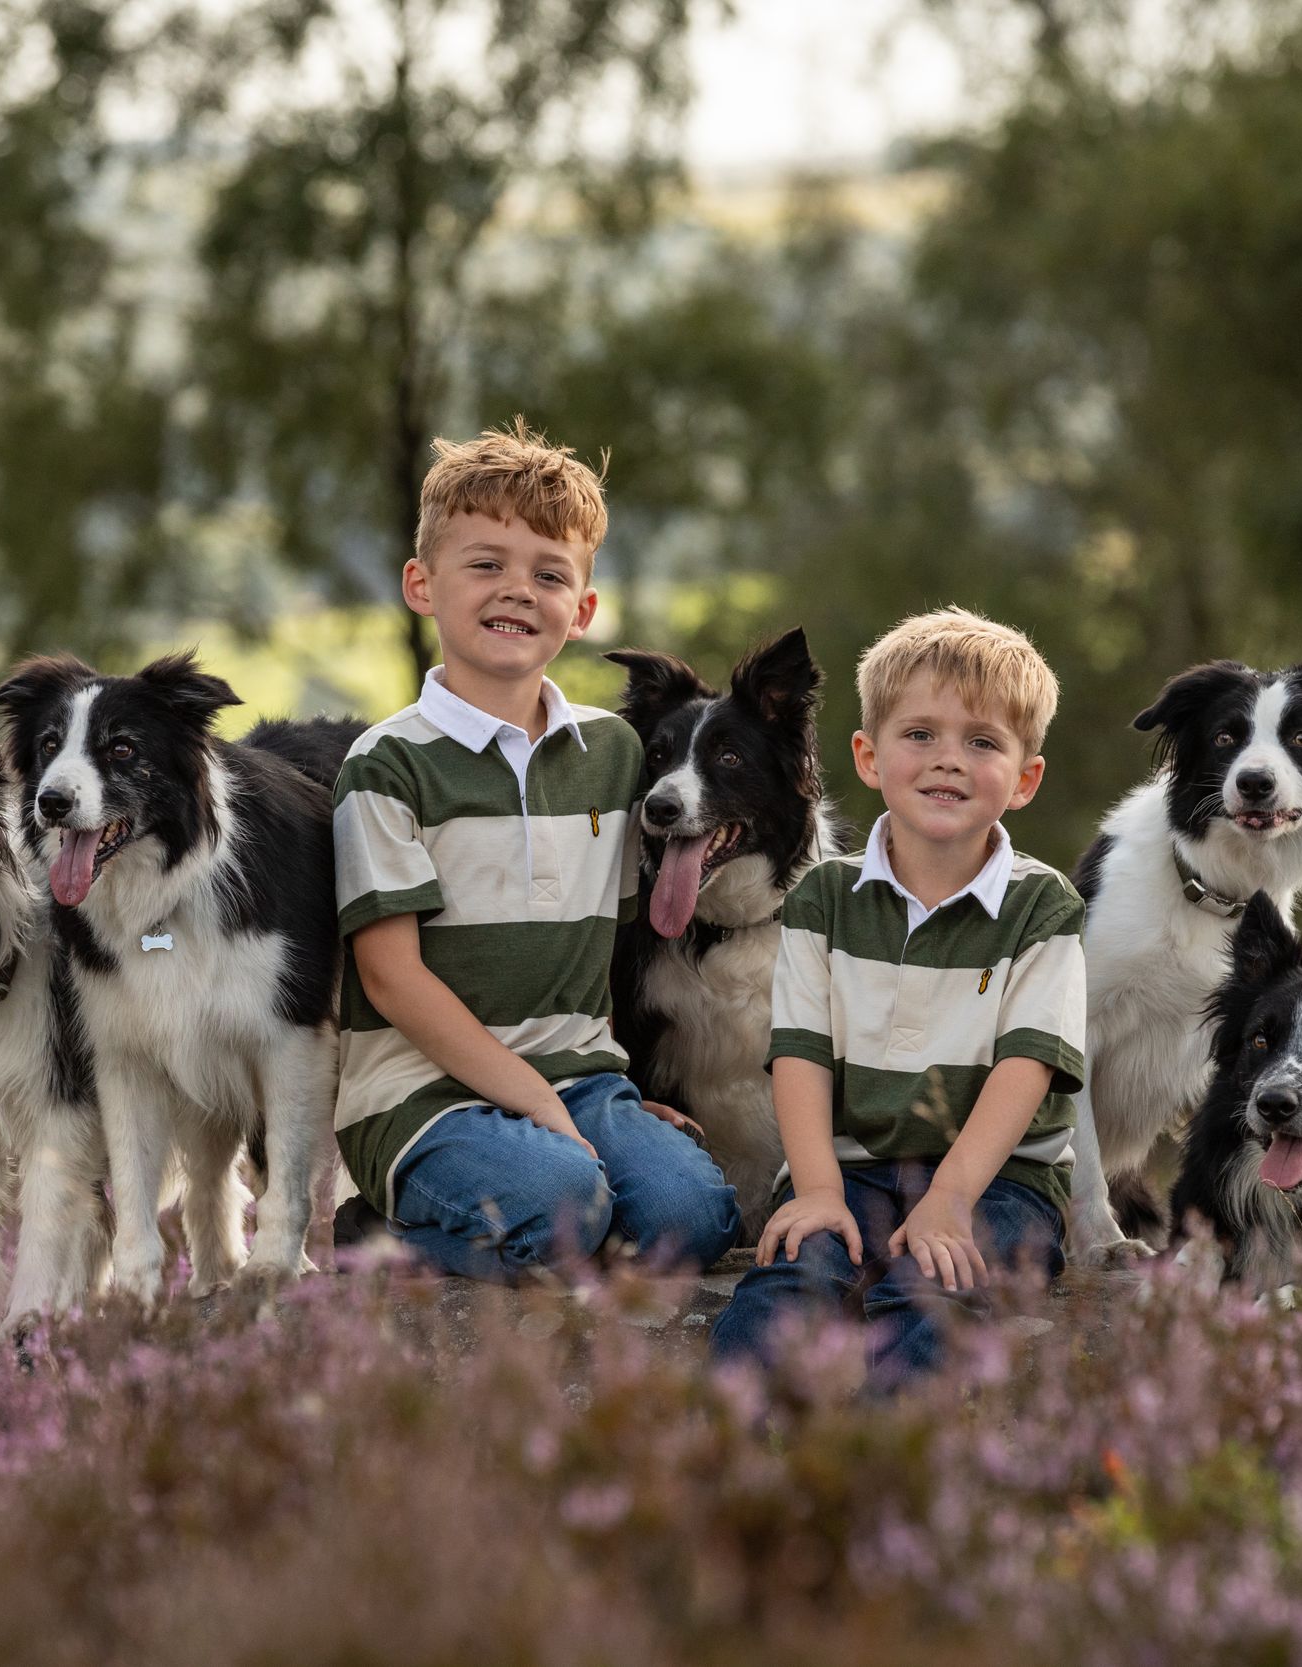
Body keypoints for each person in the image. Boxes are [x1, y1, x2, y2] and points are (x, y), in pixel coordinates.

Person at [331, 423, 739, 1282]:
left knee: (693, 1218)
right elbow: (391, 979)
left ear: (584, 610)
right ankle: (379, 1229)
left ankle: (549, 1202)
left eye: (550, 574)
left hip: (579, 1084)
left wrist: (611, 1102)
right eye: (485, 564)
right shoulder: (388, 764)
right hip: (419, 1096)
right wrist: (543, 1106)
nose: (518, 590)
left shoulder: (619, 757)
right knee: (565, 1202)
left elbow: (621, 941)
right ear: (422, 583)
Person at [709, 607, 1086, 1389]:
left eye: (982, 741)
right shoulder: (822, 897)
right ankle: (728, 1471)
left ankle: (880, 1477)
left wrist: (949, 1198)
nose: (948, 759)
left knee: (936, 1286)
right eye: (920, 735)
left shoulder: (1041, 908)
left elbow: (1029, 1067)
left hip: (999, 1180)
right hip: (846, 1166)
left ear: (1025, 779)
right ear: (870, 756)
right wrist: (814, 1189)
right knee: (787, 1283)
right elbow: (801, 1055)